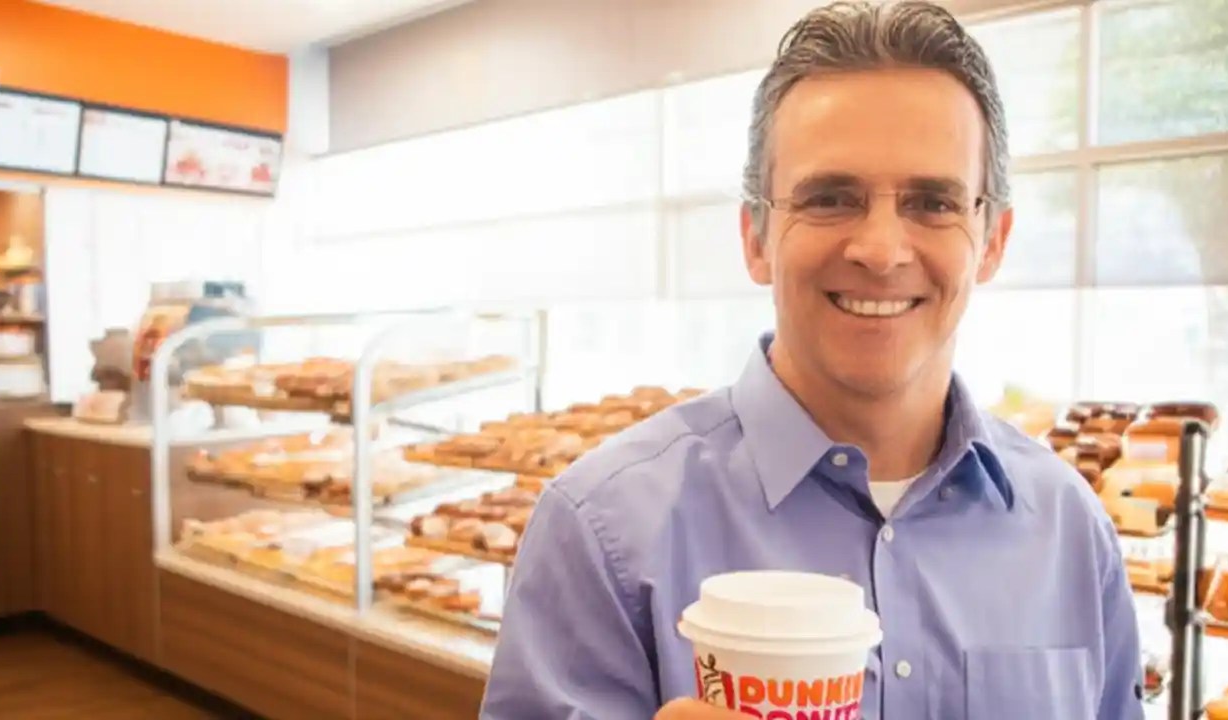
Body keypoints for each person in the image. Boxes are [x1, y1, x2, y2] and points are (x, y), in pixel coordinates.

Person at [480, 2, 1145, 718]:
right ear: (756, 238)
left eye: (932, 202)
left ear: (992, 241)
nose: (882, 251)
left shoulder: (1070, 532)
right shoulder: (601, 533)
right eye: (830, 198)